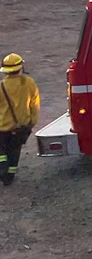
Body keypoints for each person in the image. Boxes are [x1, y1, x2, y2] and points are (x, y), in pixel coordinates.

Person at [0, 52, 41, 187]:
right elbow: (34, 104)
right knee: (15, 151)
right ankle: (10, 176)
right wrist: (32, 122)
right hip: (21, 127)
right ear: (20, 67)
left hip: (2, 127)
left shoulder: (1, 86)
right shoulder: (28, 82)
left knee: (2, 152)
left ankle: (2, 170)